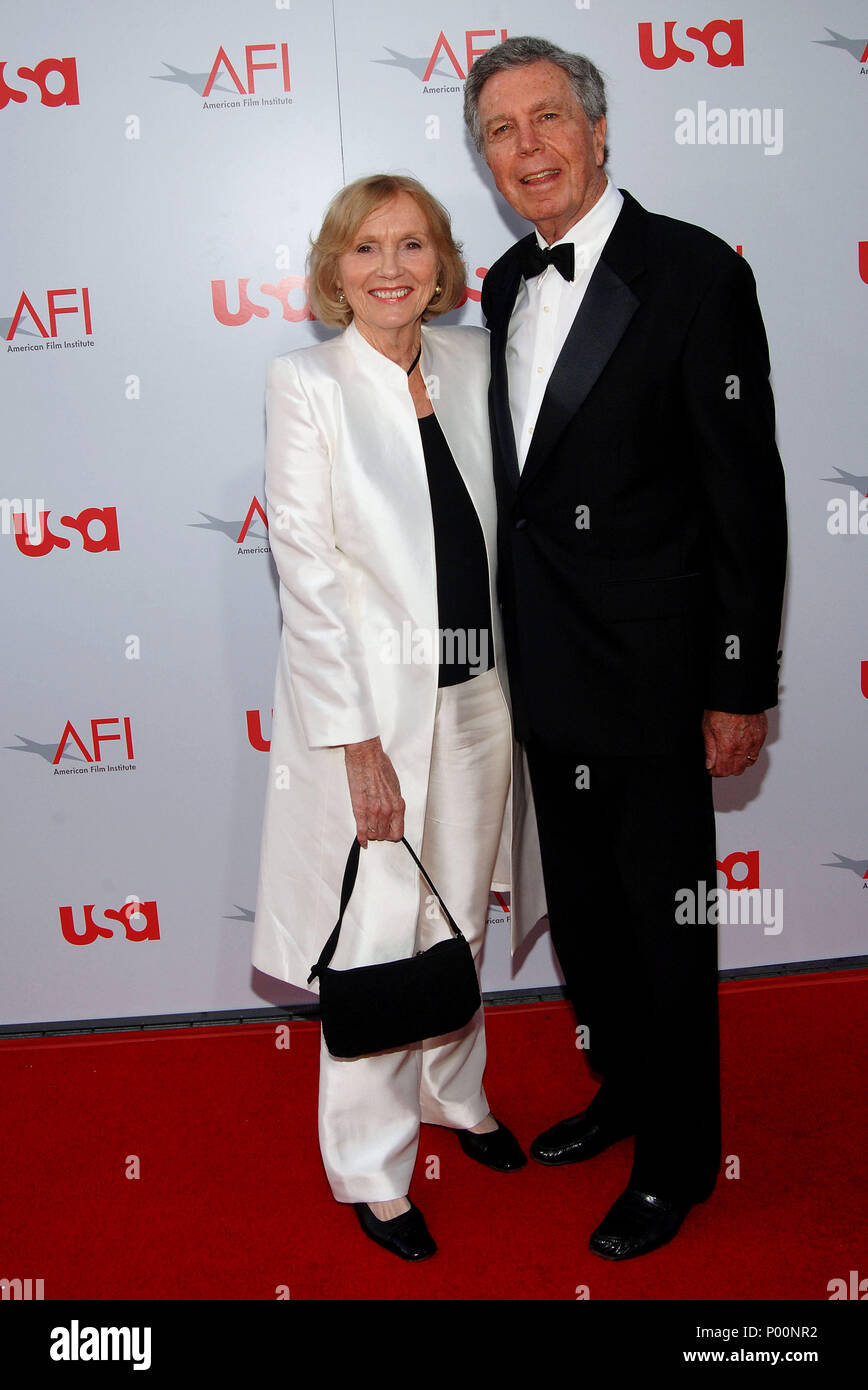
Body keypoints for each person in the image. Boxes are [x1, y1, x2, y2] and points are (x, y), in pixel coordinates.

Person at [464, 37, 787, 1259]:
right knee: (589, 924)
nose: (529, 148)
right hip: (542, 671)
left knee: (663, 923)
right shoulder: (499, 283)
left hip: (656, 677)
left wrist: (736, 681)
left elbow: (740, 497)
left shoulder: (695, 273)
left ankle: (681, 1156)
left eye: (548, 119)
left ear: (599, 132)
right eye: (501, 131)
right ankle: (623, 1093)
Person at [251, 174, 546, 1262]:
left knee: (458, 914)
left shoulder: (471, 362)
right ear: (336, 270)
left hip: (479, 699)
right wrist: (357, 743)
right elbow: (309, 574)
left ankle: (453, 1098)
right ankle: (371, 1173)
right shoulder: (306, 383)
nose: (390, 267)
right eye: (366, 247)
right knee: (379, 940)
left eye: (411, 245)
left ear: (440, 264)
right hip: (371, 715)